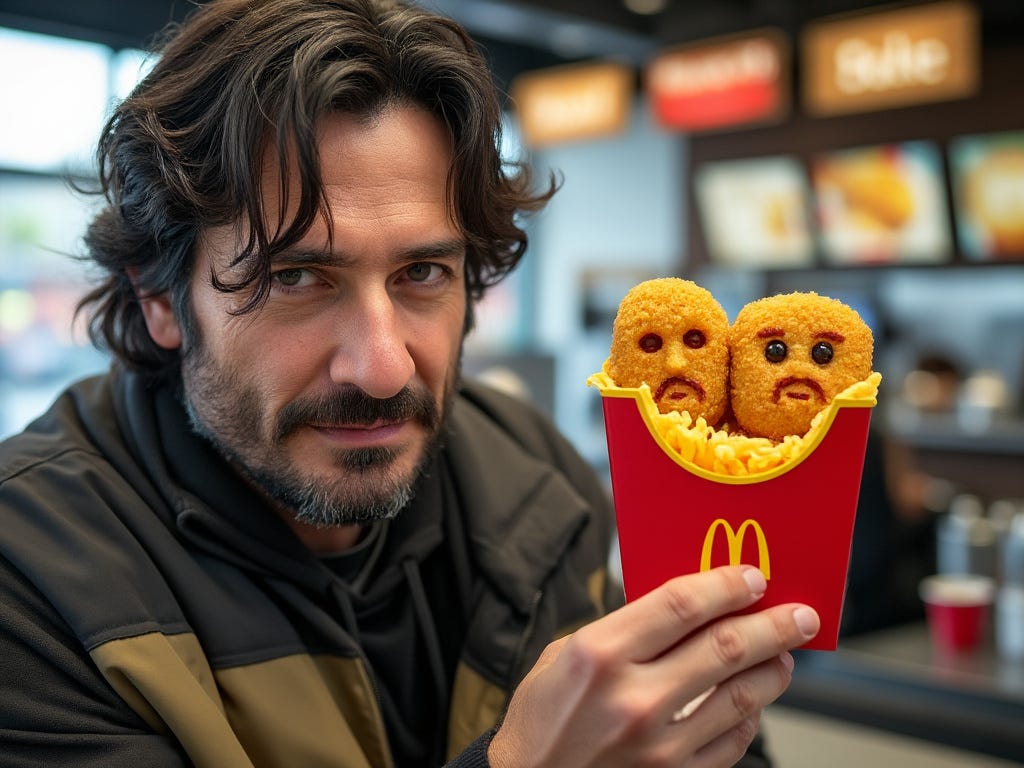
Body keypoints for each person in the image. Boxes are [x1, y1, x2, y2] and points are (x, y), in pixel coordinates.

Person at [0, 0, 820, 765]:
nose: (384, 365)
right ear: (159, 300)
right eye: (296, 278)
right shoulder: (33, 583)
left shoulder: (532, 475)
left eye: (423, 271)